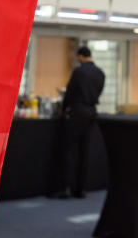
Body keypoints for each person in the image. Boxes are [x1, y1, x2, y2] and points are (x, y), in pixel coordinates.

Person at [54, 45, 103, 199]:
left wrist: (63, 108)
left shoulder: (79, 71)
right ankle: (81, 189)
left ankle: (67, 188)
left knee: (70, 149)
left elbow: (69, 93)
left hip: (77, 111)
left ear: (81, 56)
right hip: (92, 112)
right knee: (85, 151)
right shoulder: (100, 73)